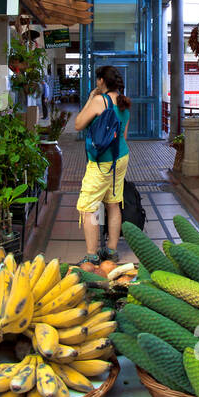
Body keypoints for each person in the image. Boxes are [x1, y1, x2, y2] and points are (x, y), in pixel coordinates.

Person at [70, 64, 132, 266]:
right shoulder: (123, 103)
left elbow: (78, 124)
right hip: (120, 157)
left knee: (88, 207)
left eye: (98, 79)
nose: (96, 82)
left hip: (102, 163)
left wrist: (89, 99)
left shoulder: (99, 100)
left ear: (102, 81)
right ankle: (112, 251)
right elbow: (123, 136)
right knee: (113, 203)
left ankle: (91, 254)